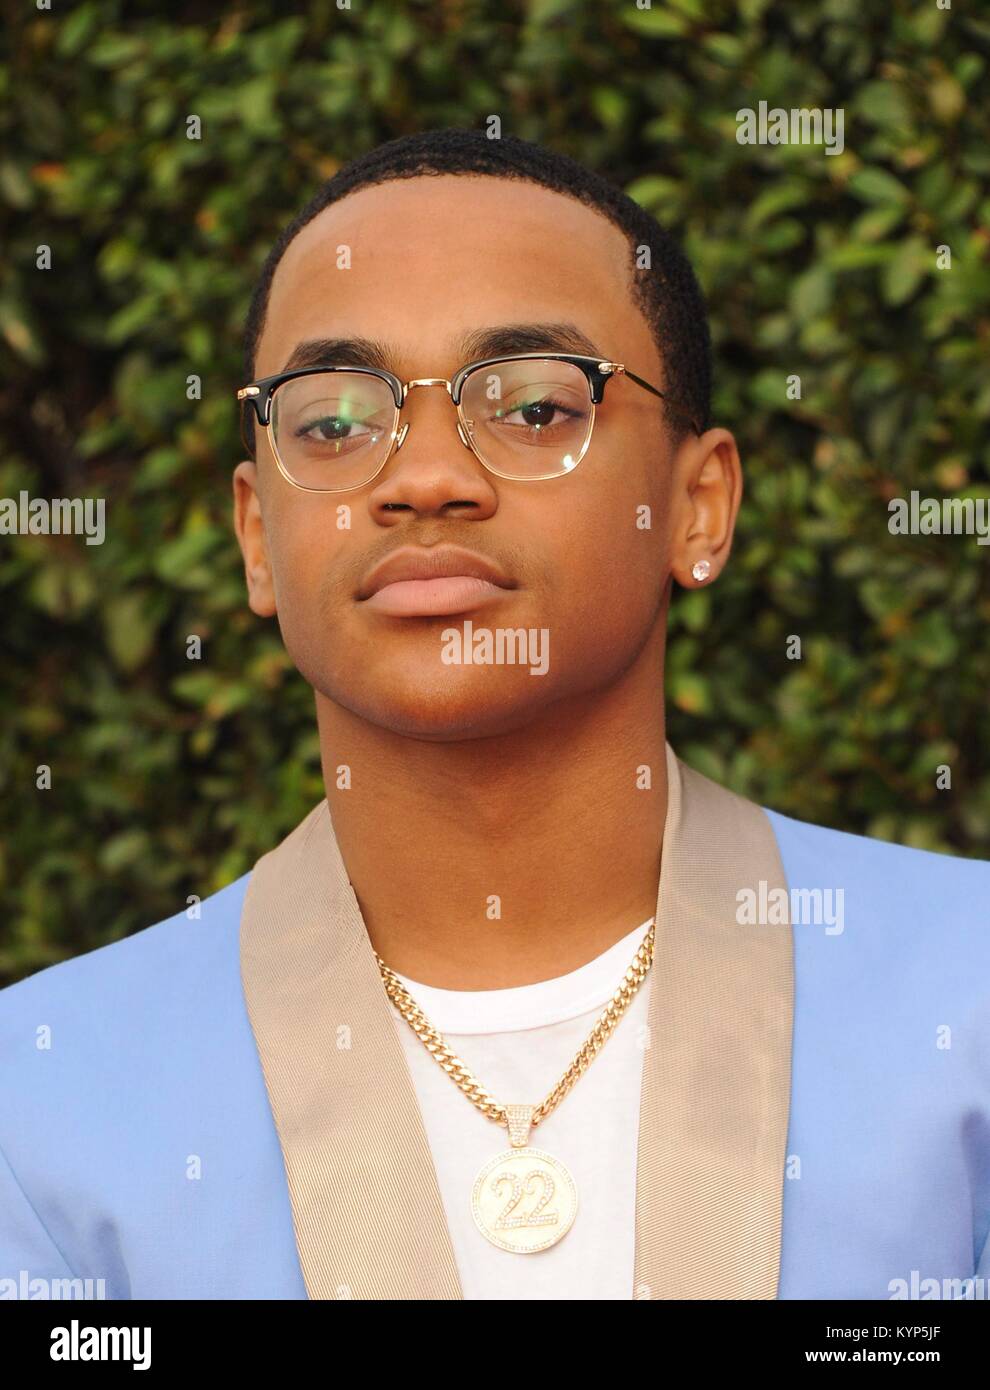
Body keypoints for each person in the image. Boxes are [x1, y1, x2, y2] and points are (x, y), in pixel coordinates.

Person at [1, 128, 987, 1302]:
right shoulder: (45, 1095)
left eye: (529, 406)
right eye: (332, 420)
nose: (424, 476)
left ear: (698, 506)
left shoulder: (963, 999)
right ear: (259, 536)